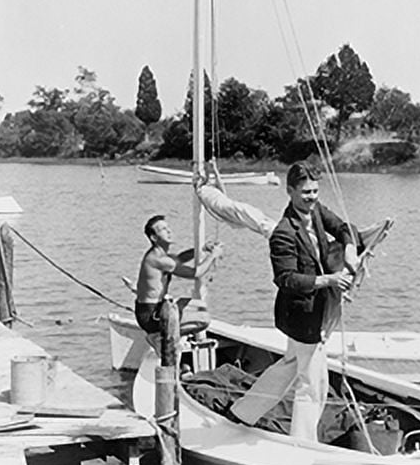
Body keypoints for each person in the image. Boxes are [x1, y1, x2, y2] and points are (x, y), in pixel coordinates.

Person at [229, 161, 360, 443]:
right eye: (305, 193)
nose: (311, 197)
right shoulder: (283, 233)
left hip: (316, 312)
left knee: (290, 364)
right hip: (302, 315)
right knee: (313, 385)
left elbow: (344, 226)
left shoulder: (317, 212)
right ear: (290, 191)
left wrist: (349, 246)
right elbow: (286, 279)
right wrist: (329, 280)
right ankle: (303, 443)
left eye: (314, 191)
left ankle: (243, 412)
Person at [134, 214, 223, 354]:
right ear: (154, 238)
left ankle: (166, 332)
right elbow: (196, 273)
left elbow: (180, 258)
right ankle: (159, 335)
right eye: (163, 229)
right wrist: (213, 256)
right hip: (151, 315)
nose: (169, 231)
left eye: (168, 227)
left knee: (200, 305)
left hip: (157, 307)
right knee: (204, 319)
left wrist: (202, 249)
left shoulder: (162, 255)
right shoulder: (158, 259)